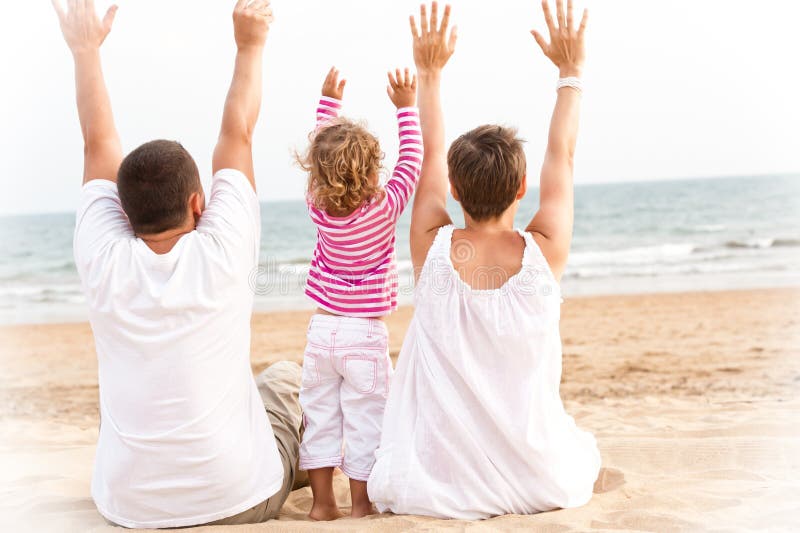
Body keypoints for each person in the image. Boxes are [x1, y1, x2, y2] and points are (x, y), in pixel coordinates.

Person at [52, 0, 304, 527]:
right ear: (198, 204)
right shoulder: (224, 250)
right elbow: (238, 134)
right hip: (242, 501)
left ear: (120, 212)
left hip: (130, 509)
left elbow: (97, 142)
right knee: (284, 381)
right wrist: (250, 44)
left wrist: (84, 50)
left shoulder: (102, 259)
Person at [367, 0, 601, 519]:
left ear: (453, 190)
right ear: (522, 188)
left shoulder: (432, 246)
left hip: (436, 484)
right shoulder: (545, 250)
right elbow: (562, 156)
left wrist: (428, 72)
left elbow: (429, 154)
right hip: (543, 481)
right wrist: (570, 72)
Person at [293, 64, 423, 519]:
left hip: (322, 331)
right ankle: (360, 504)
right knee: (366, 420)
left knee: (320, 416)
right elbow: (412, 161)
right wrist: (407, 108)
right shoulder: (386, 208)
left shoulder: (318, 207)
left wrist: (327, 103)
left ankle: (323, 504)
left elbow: (318, 156)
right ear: (372, 172)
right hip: (364, 336)